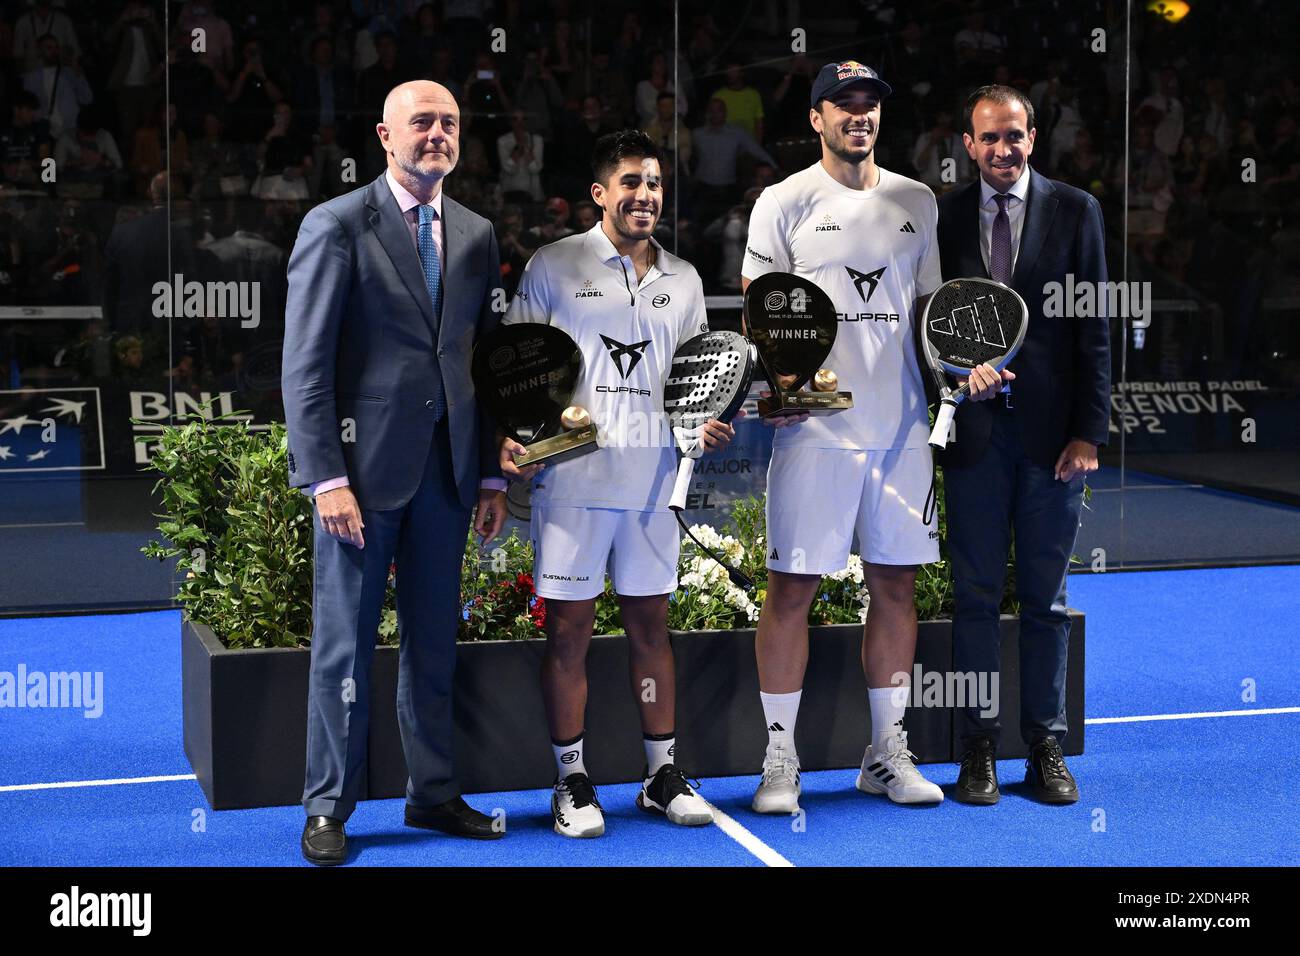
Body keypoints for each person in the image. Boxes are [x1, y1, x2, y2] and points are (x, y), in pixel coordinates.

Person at [282, 80, 510, 865]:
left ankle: (434, 794)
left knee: (433, 646)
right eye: (422, 123)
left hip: (447, 477)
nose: (437, 134)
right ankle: (326, 807)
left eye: (449, 123)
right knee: (342, 646)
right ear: (385, 135)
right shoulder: (336, 224)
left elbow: (482, 364)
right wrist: (325, 477)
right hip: (360, 481)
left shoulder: (477, 234)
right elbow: (305, 367)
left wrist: (489, 477)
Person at [500, 130, 734, 838]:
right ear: (600, 193)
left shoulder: (686, 279)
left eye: (655, 184)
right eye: (630, 183)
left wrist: (700, 423)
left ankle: (660, 775)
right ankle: (571, 778)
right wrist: (517, 437)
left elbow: (692, 383)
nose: (645, 196)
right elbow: (516, 369)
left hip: (652, 483)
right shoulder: (553, 264)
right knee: (569, 632)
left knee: (649, 628)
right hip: (571, 483)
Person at [741, 61, 945, 814]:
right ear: (818, 118)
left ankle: (884, 755)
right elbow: (760, 315)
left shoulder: (917, 200)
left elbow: (932, 316)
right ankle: (779, 759)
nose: (859, 116)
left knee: (895, 584)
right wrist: (779, 386)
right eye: (844, 105)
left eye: (870, 105)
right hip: (814, 434)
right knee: (791, 589)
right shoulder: (783, 200)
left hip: (900, 433)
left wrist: (960, 375)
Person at [935, 84, 1110, 806]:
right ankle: (978, 747)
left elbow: (1094, 326)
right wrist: (953, 370)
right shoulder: (941, 219)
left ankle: (1044, 745)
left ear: (1032, 137)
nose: (1002, 150)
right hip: (974, 437)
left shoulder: (1077, 211)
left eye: (1014, 136)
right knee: (974, 596)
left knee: (1045, 598)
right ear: (968, 146)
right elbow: (931, 323)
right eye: (988, 138)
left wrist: (1089, 433)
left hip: (1051, 441)